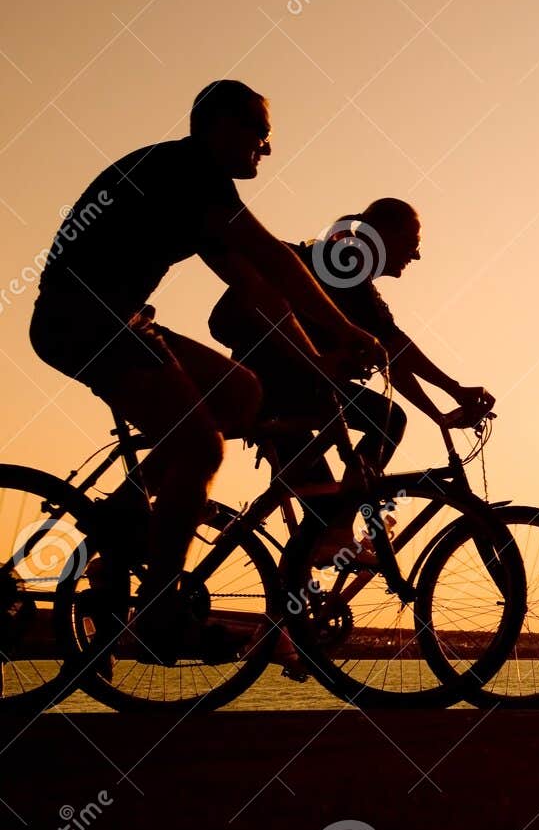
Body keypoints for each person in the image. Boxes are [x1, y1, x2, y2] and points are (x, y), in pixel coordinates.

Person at [29, 80, 381, 662]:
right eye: (259, 134)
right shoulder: (191, 172)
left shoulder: (193, 193)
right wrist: (344, 329)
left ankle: (122, 520)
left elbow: (256, 287)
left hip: (115, 320)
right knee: (202, 449)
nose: (266, 149)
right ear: (220, 125)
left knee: (242, 393)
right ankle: (158, 616)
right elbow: (275, 258)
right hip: (85, 319)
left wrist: (315, 360)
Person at [207, 197, 496, 494]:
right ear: (382, 233)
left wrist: (438, 415)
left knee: (321, 513)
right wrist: (455, 389)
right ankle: (347, 516)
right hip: (279, 389)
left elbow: (390, 360)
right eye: (412, 241)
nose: (417, 254)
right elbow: (394, 343)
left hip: (280, 389)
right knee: (387, 420)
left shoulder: (344, 270)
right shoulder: (341, 264)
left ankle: (339, 523)